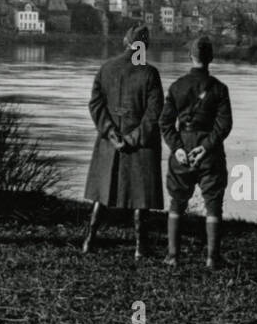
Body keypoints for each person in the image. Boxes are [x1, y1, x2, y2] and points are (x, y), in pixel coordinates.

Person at [82, 24, 165, 260]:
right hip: (140, 145)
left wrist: (111, 134)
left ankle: (90, 240)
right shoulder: (150, 74)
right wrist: (132, 139)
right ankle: (140, 247)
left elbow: (95, 105)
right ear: (145, 46)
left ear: (125, 41)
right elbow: (153, 115)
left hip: (109, 141)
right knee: (141, 197)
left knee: (102, 193)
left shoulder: (106, 68)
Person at [159, 35, 233, 269]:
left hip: (183, 145)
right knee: (213, 203)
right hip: (208, 150)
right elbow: (224, 125)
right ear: (211, 58)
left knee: (177, 201)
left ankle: (173, 255)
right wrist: (207, 147)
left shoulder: (177, 86)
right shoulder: (220, 89)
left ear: (190, 57)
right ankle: (212, 257)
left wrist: (177, 148)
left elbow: (165, 123)